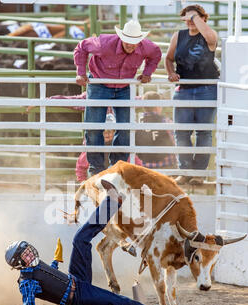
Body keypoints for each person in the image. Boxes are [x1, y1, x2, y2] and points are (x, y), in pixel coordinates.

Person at [5, 180, 181, 305]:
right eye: (25, 254)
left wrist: (55, 261)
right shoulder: (26, 283)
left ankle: (112, 202)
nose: (30, 253)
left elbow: (50, 276)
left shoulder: (34, 267)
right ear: (20, 263)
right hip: (79, 295)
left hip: (74, 278)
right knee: (119, 302)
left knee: (79, 239)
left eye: (28, 249)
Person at [74, 20, 162, 177]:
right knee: (94, 129)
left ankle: (117, 167)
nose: (130, 45)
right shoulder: (103, 43)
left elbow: (156, 54)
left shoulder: (147, 47)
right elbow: (81, 47)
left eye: (134, 42)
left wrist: (148, 72)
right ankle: (96, 169)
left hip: (123, 86)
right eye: (128, 41)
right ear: (121, 37)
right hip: (99, 83)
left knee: (126, 129)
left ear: (139, 40)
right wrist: (80, 72)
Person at [165, 4, 219, 185]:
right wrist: (171, 73)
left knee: (204, 132)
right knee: (181, 132)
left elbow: (211, 37)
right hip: (184, 90)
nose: (190, 21)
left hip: (206, 89)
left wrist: (195, 17)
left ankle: (199, 173)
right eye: (187, 18)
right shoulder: (178, 36)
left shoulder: (209, 37)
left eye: (194, 18)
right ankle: (185, 171)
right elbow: (169, 58)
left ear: (203, 18)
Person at [135, 91, 177, 170]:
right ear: (158, 106)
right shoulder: (166, 122)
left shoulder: (137, 124)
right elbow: (176, 143)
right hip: (165, 165)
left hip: (144, 166)